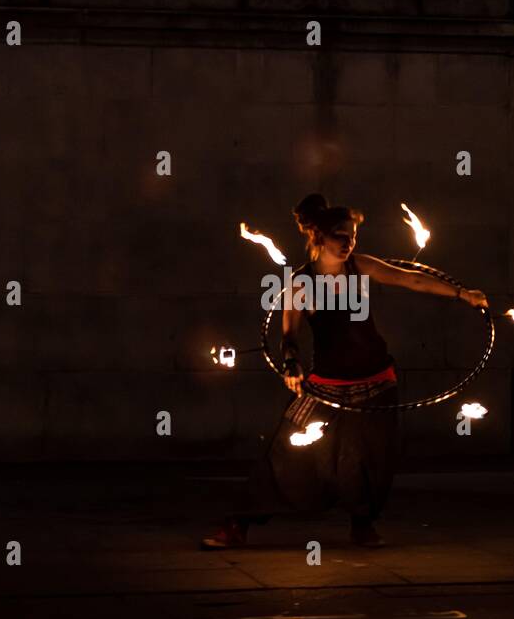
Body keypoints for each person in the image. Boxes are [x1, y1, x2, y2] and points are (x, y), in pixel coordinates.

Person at [201, 193, 488, 549]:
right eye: (341, 234)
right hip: (327, 385)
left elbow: (411, 279)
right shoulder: (300, 284)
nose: (349, 242)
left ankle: (362, 524)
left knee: (371, 458)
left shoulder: (360, 267)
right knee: (285, 455)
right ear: (319, 236)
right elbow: (288, 335)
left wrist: (463, 294)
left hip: (376, 381)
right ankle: (238, 524)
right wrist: (291, 364)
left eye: (353, 235)